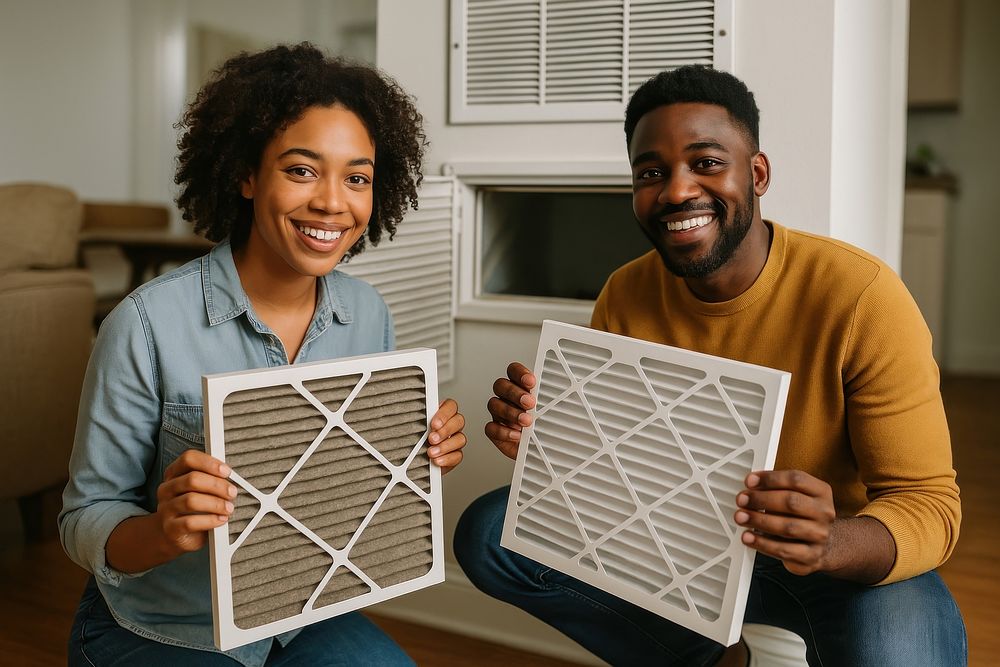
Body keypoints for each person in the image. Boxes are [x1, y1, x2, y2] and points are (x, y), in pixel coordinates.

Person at [455, 65, 966, 666]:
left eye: (706, 162)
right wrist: (552, 447)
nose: (676, 191)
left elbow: (928, 505)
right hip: (676, 546)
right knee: (491, 531)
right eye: (651, 172)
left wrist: (829, 543)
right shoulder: (625, 292)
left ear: (757, 174)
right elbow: (622, 467)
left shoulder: (861, 297)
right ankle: (711, 659)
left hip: (837, 560)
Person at [59, 43, 467, 666]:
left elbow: (356, 493)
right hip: (163, 624)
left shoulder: (370, 314)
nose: (334, 202)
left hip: (303, 617)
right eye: (301, 170)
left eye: (356, 177)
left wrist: (417, 455)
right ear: (246, 175)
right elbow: (84, 519)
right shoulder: (143, 324)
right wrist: (164, 533)